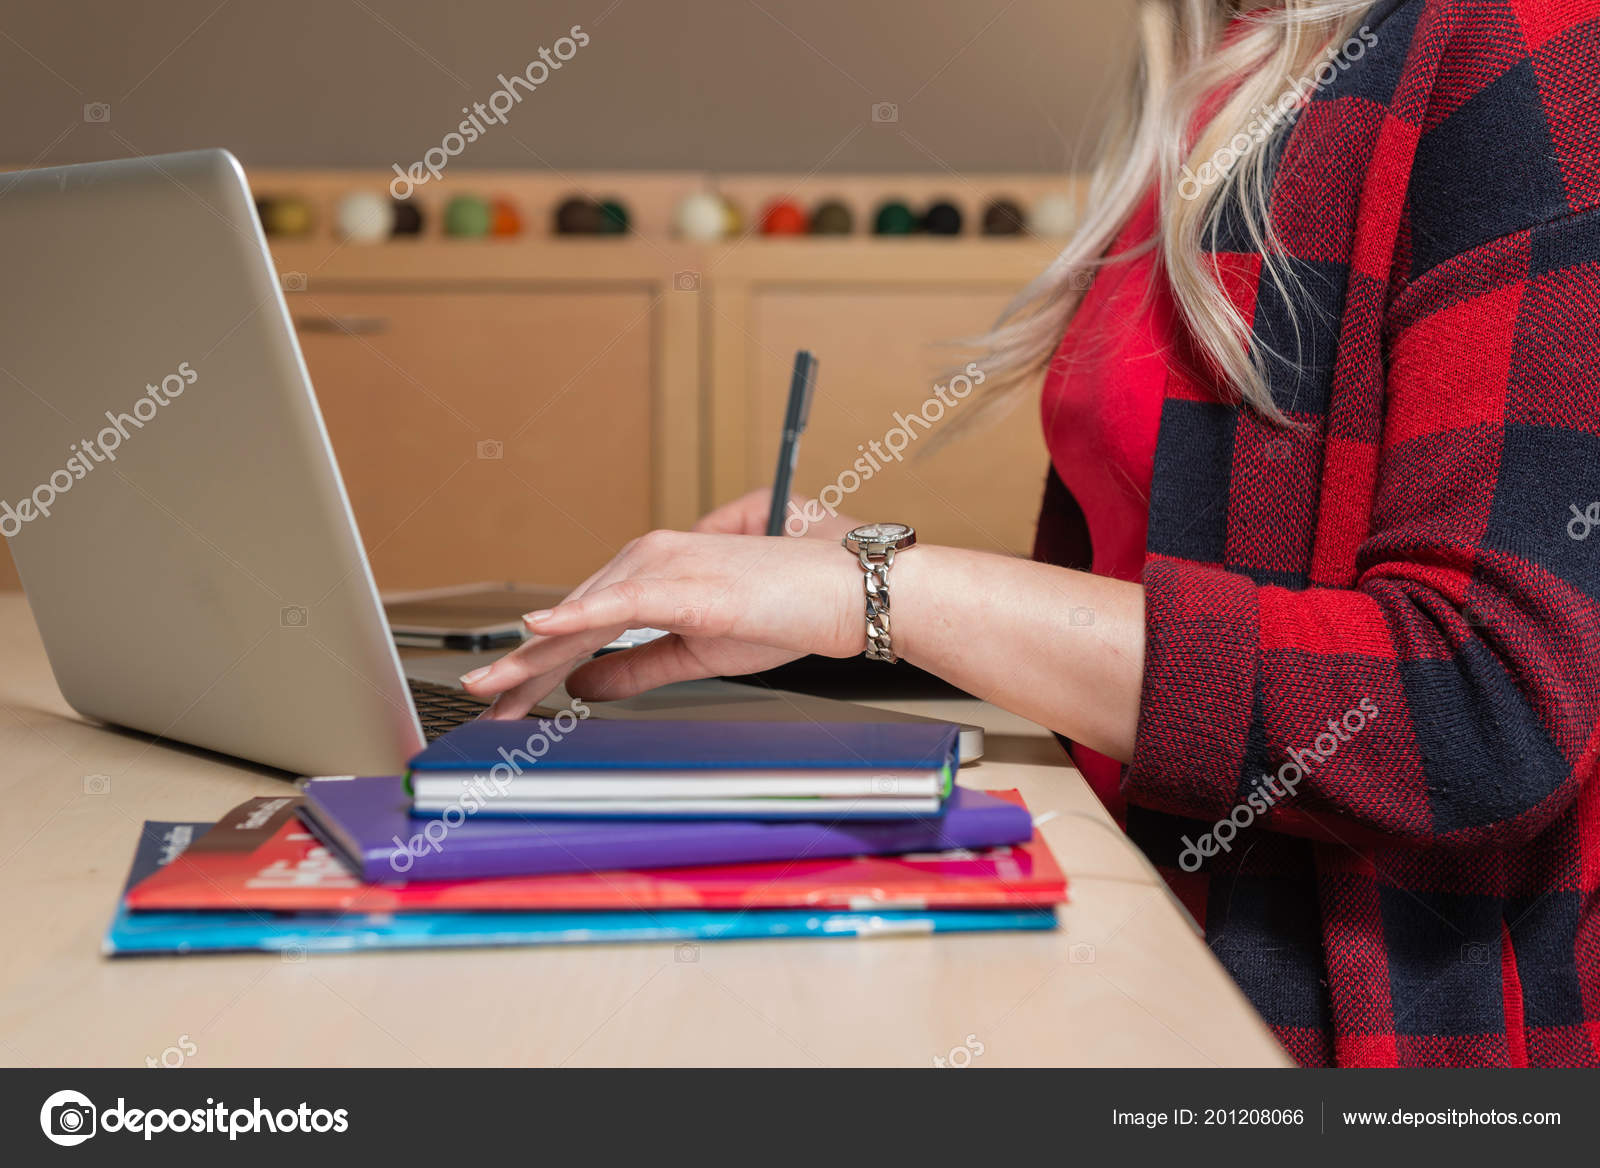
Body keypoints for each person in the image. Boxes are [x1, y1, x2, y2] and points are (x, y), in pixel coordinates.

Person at [462, 0, 1600, 1067]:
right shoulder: (1217, 58)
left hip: (1335, 1022)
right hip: (1113, 897)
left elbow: (1481, 711)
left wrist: (886, 591)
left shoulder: (1530, 44)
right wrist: (850, 579)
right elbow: (1152, 594)